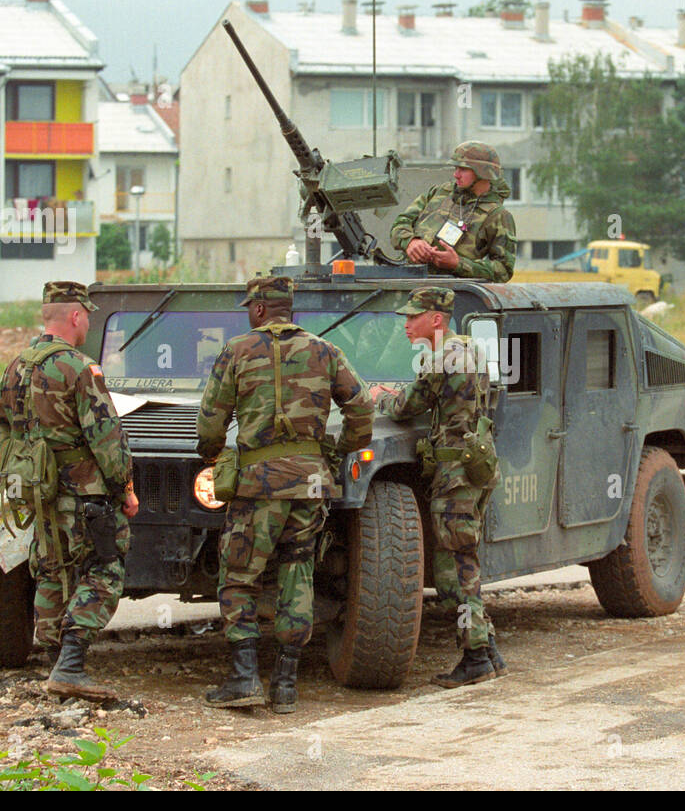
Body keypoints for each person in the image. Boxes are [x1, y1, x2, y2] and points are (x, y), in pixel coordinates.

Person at [197, 276, 372, 712]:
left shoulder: (236, 351)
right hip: (311, 483)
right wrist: (344, 448)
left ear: (259, 309)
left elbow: (210, 422)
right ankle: (286, 684)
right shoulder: (326, 351)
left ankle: (243, 678)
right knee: (298, 570)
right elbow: (362, 404)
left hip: (259, 484)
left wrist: (213, 454)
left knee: (239, 575)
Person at [0, 281, 139, 701]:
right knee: (105, 567)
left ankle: (53, 660)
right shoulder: (79, 367)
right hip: (85, 492)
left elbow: (6, 431)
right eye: (88, 315)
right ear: (76, 316)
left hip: (36, 490)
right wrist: (124, 488)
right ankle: (71, 664)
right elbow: (106, 436)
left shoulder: (15, 365)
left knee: (50, 566)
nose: (88, 322)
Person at [376, 286, 505, 687]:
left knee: (458, 566)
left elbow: (406, 406)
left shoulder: (440, 357)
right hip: (476, 469)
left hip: (455, 477)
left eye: (412, 317)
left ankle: (476, 656)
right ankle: (490, 651)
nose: (406, 325)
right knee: (465, 559)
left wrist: (379, 397)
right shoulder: (470, 349)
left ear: (436, 319)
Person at [390, 141, 516, 283]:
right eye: (456, 168)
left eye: (463, 169)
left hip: (450, 293)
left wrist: (458, 264)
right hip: (406, 279)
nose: (456, 175)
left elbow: (503, 270)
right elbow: (400, 224)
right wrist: (411, 242)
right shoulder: (439, 192)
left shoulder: (497, 216)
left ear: (482, 172)